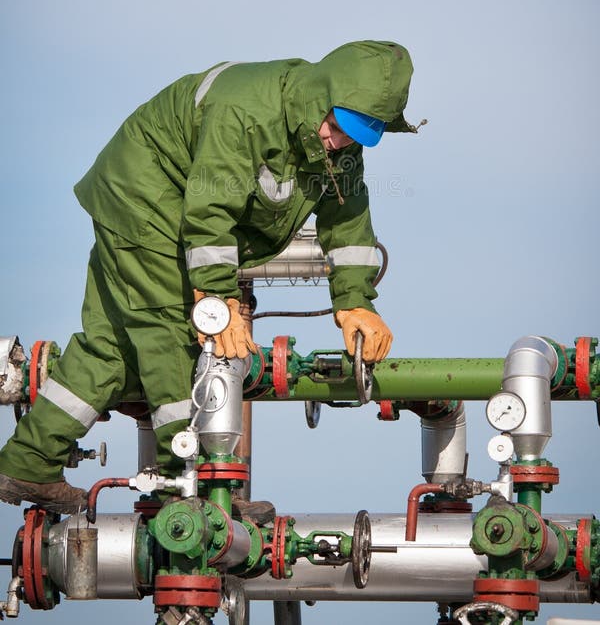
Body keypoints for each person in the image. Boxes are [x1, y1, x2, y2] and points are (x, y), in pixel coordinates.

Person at [0, 40, 418, 513]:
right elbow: (211, 208)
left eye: (359, 136)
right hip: (146, 200)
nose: (340, 142)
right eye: (338, 126)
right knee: (175, 337)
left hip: (155, 203)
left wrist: (355, 301)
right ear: (322, 96)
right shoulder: (246, 111)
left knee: (111, 346)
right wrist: (218, 300)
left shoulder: (339, 146)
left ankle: (29, 462)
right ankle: (188, 491)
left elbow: (348, 224)